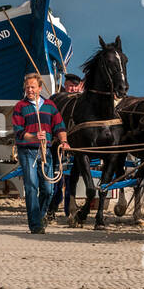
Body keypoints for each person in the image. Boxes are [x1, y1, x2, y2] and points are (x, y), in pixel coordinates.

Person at [11, 73, 68, 233]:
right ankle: (35, 225)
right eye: (27, 87)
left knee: (48, 190)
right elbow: (18, 132)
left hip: (46, 151)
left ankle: (40, 215)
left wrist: (63, 141)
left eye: (32, 87)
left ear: (40, 88)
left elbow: (59, 126)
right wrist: (34, 136)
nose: (29, 90)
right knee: (31, 187)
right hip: (27, 151)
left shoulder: (50, 106)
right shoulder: (20, 107)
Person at [47, 73, 85, 220]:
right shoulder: (57, 100)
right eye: (69, 86)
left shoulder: (82, 104)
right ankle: (52, 207)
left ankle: (69, 210)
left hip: (74, 147)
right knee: (56, 177)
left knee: (71, 179)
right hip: (57, 145)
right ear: (65, 86)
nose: (72, 89)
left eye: (75, 86)